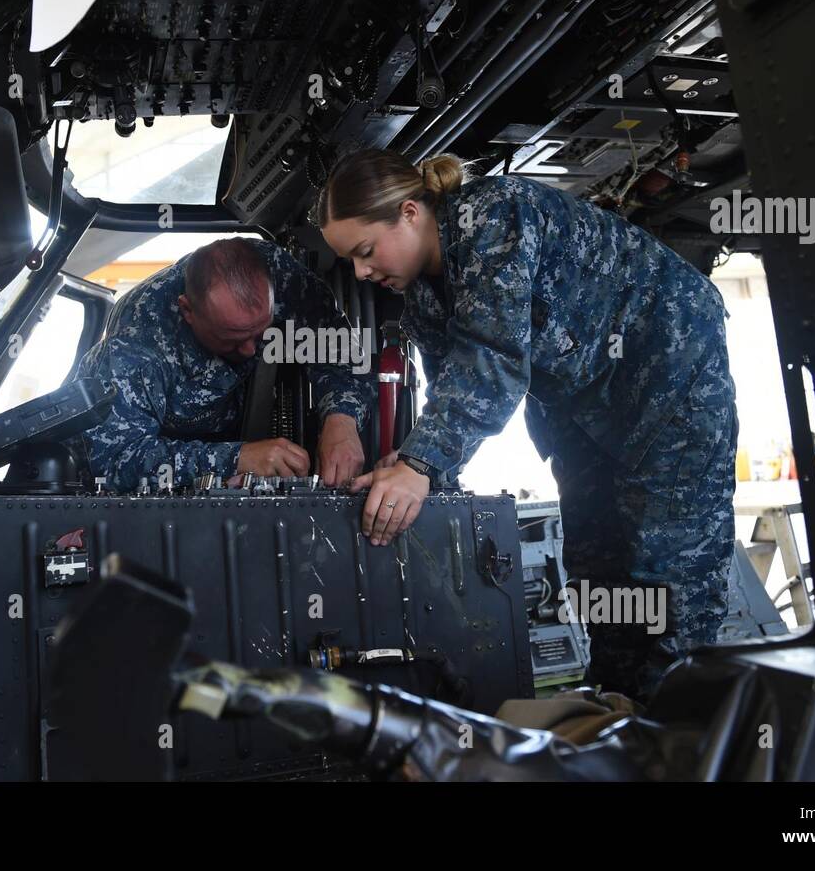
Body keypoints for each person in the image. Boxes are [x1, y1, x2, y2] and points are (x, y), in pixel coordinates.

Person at [316, 150, 738, 698]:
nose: (362, 272)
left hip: (669, 377)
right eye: (351, 261)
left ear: (412, 213)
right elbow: (457, 392)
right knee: (596, 562)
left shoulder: (496, 213)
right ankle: (617, 711)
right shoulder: (422, 297)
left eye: (366, 251)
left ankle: (681, 727)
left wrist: (422, 463)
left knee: (668, 569)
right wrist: (414, 464)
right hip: (582, 409)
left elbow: (492, 361)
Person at [76, 236, 373, 491]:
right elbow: (113, 462)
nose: (248, 350)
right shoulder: (137, 343)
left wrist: (341, 420)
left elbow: (339, 348)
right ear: (188, 311)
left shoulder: (280, 276)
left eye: (261, 333)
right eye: (232, 338)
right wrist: (234, 459)